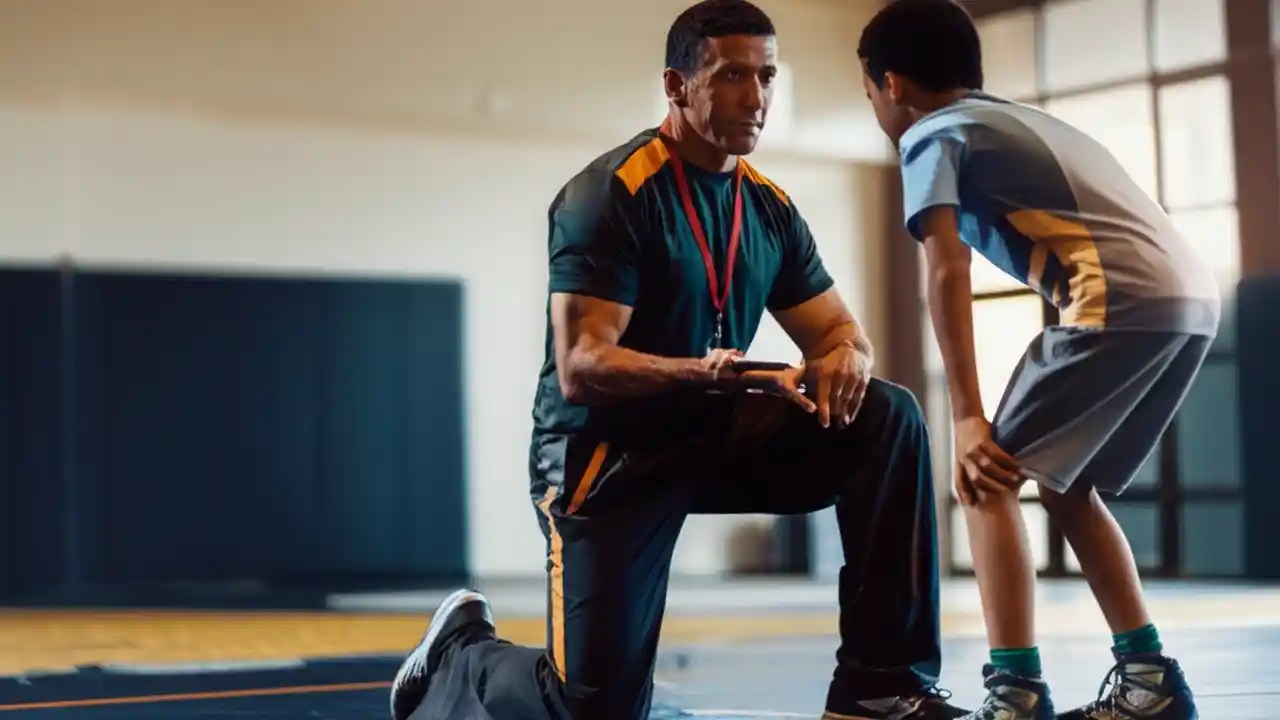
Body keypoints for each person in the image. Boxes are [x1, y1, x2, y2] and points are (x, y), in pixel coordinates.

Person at [386, 1, 971, 719]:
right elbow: (583, 364)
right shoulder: (611, 195)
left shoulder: (769, 210)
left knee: (887, 416)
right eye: (731, 76)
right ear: (676, 85)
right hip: (605, 457)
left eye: (766, 76)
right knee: (592, 710)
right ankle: (461, 651)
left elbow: (839, 332)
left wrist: (847, 357)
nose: (755, 98)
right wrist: (713, 372)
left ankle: (880, 686)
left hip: (712, 435)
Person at [855, 1, 1219, 719]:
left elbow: (947, 267)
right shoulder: (1014, 119)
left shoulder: (933, 131)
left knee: (983, 477)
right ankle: (1148, 678)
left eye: (869, 94)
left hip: (1123, 299)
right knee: (1068, 486)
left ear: (891, 84)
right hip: (1190, 299)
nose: (877, 106)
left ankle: (1015, 693)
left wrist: (965, 413)